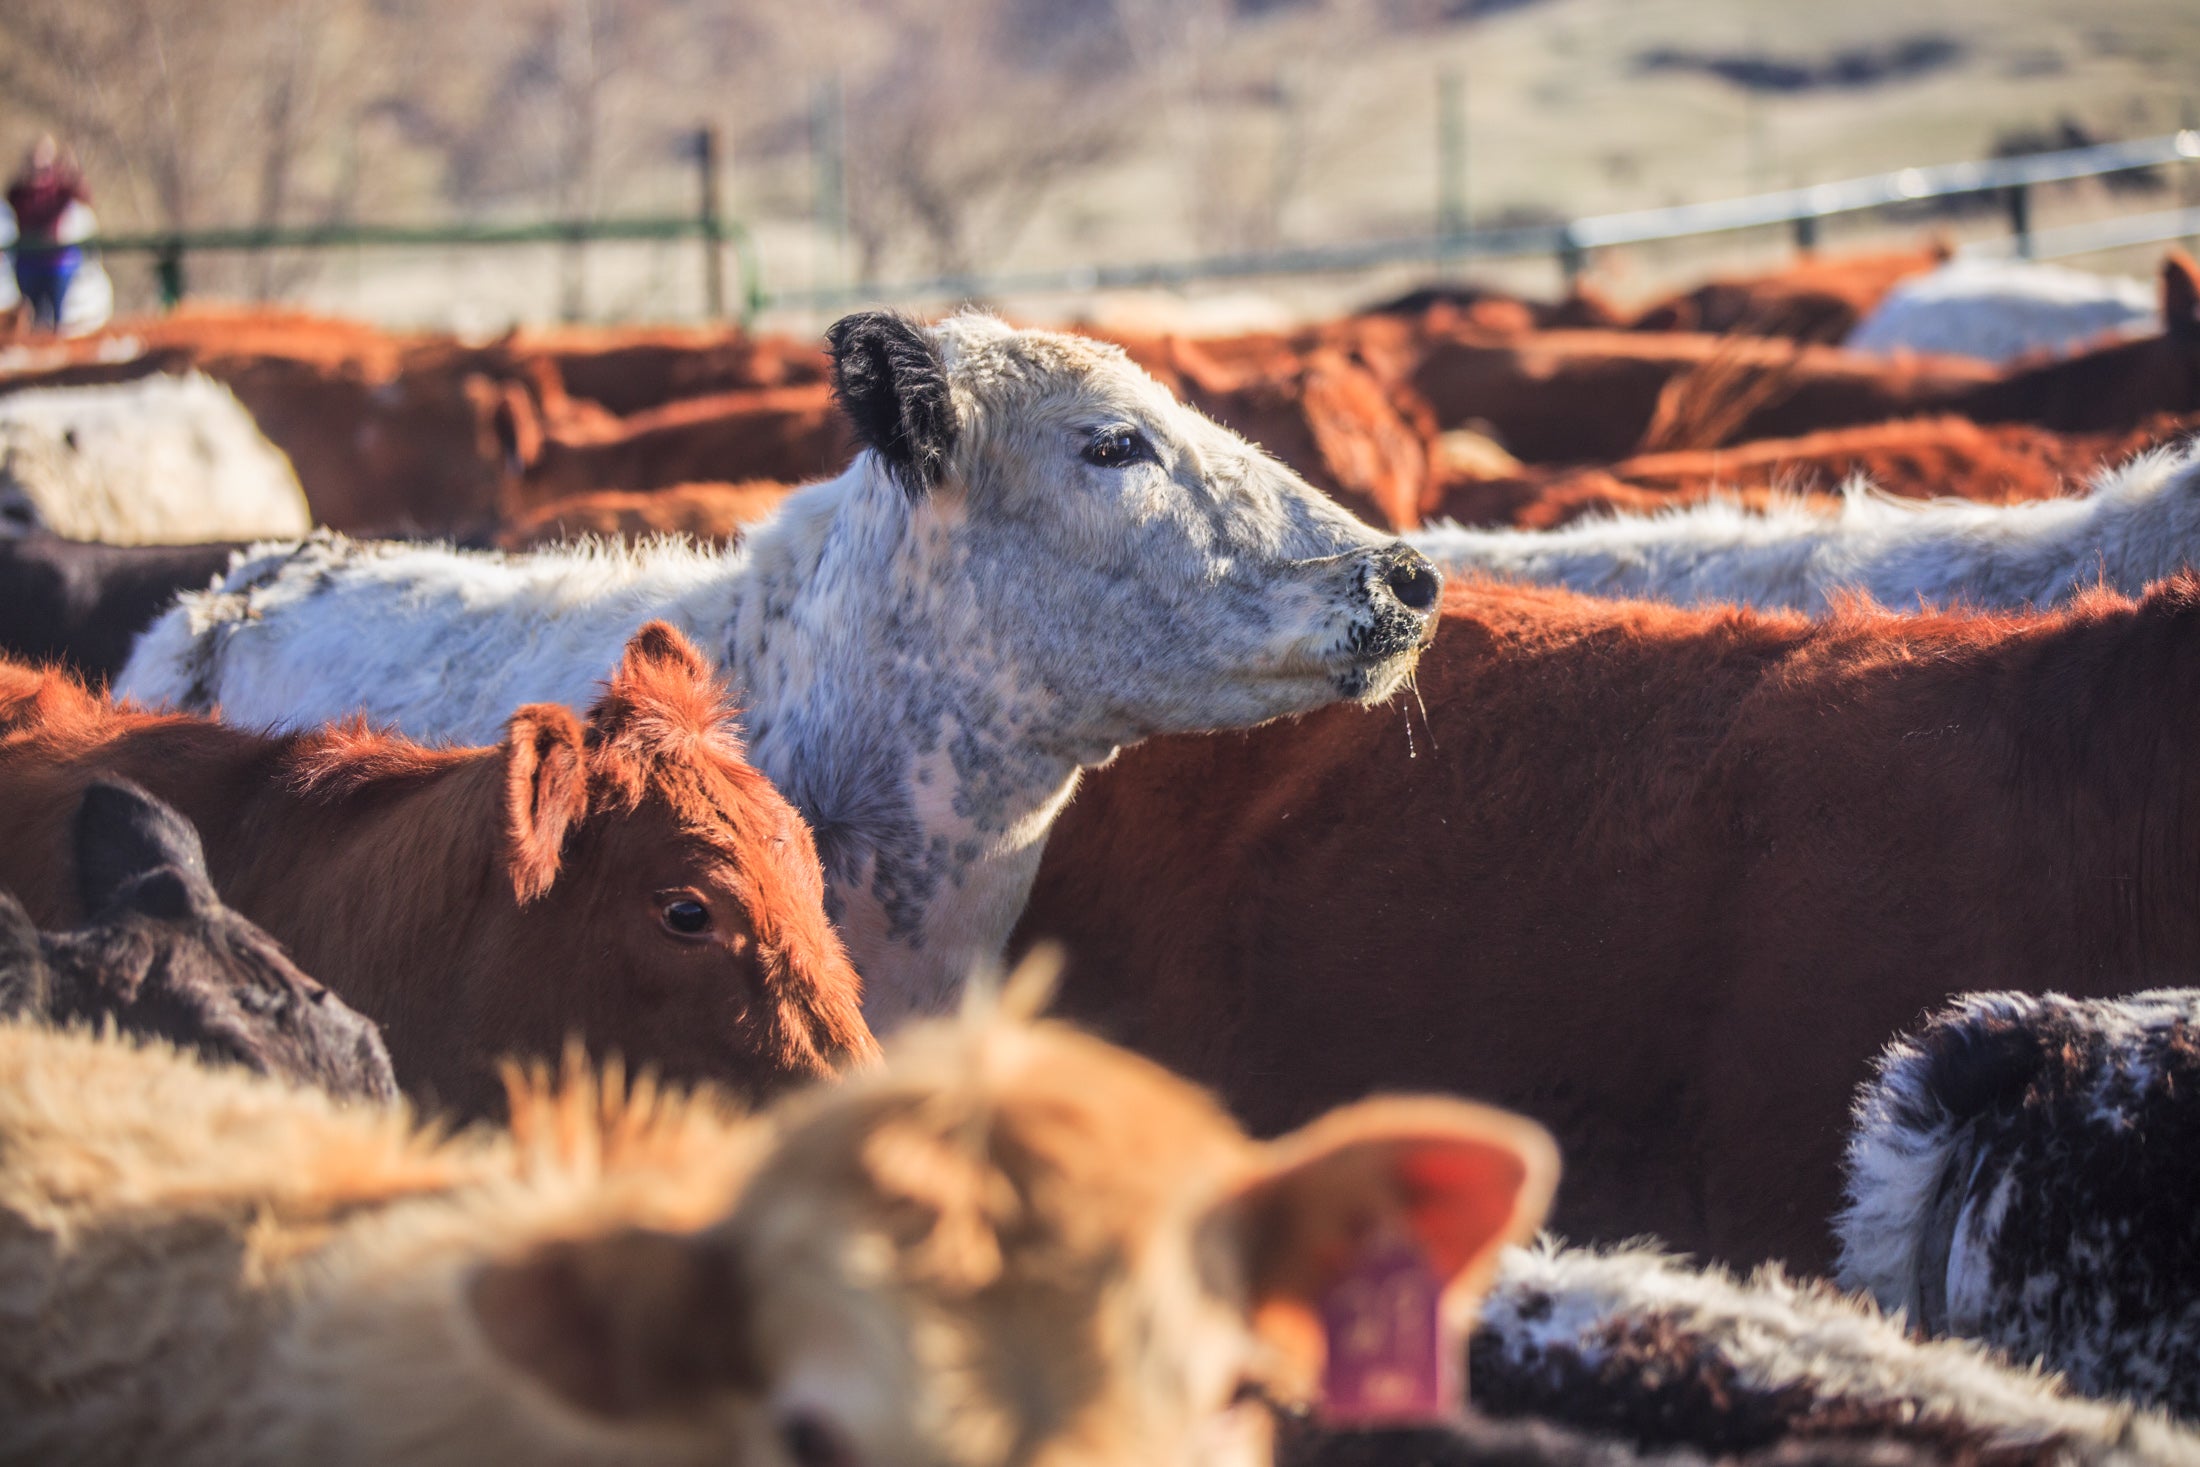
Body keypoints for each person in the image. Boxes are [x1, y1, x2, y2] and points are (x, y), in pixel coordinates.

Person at [7, 136, 90, 332]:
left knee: (58, 318)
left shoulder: (59, 190)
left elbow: (83, 195)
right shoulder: (21, 192)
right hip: (28, 263)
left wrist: (71, 170)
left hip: (56, 264)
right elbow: (11, 198)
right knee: (30, 317)